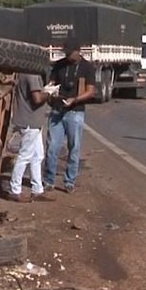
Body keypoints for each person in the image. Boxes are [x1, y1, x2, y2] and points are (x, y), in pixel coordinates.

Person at [43, 40, 97, 193]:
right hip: (57, 110)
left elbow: (90, 91)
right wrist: (50, 92)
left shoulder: (87, 67)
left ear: (78, 51)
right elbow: (51, 83)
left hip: (75, 111)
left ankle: (69, 181)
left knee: (74, 147)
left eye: (70, 53)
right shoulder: (59, 65)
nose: (68, 56)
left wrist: (76, 100)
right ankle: (49, 180)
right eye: (66, 53)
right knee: (52, 147)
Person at [5, 72, 52, 202]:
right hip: (30, 121)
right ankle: (15, 190)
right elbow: (37, 98)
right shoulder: (32, 75)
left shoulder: (21, 73)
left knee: (37, 156)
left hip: (31, 121)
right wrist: (49, 93)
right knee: (25, 156)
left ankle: (37, 189)